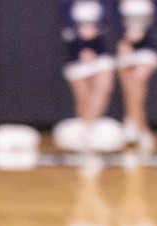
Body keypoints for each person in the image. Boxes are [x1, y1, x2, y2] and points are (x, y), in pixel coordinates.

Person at [62, 0, 115, 150]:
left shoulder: (105, 4)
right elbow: (67, 26)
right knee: (83, 97)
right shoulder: (68, 4)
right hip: (76, 55)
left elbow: (109, 24)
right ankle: (84, 135)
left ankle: (90, 130)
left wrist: (94, 42)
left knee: (103, 89)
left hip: (100, 53)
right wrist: (82, 47)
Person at [116, 0, 157, 153]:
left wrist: (142, 32)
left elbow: (156, 21)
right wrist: (123, 40)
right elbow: (112, 20)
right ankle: (132, 124)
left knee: (138, 81)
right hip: (124, 47)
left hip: (147, 47)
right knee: (129, 88)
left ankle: (141, 128)